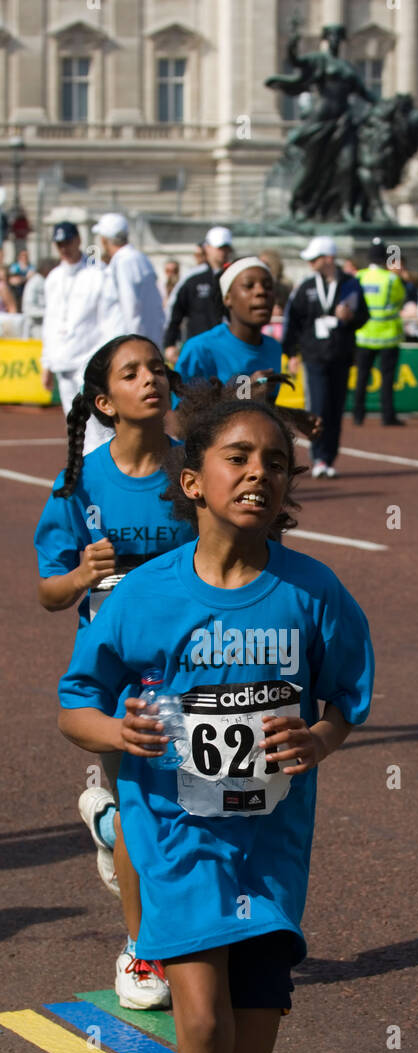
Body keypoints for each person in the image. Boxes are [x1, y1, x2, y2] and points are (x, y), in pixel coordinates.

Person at [57, 387, 374, 1053]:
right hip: (180, 841)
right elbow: (78, 701)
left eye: (274, 462)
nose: (259, 473)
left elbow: (347, 698)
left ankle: (106, 826)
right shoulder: (146, 598)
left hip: (269, 852)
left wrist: (318, 738)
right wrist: (118, 737)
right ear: (192, 481)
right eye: (238, 457)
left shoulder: (315, 593)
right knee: (198, 1023)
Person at [34, 334, 195, 1011]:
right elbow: (48, 592)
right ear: (106, 401)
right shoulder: (80, 484)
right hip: (118, 671)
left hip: (195, 662)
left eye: (157, 367)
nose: (150, 379)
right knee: (142, 810)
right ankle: (141, 948)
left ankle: (107, 830)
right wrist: (80, 574)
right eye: (132, 373)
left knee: (196, 801)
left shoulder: (196, 470)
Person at [282, 235, 368, 478]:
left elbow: (364, 317)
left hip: (340, 355)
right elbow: (294, 322)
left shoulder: (351, 284)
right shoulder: (307, 287)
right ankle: (318, 456)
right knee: (317, 407)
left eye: (315, 258)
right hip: (314, 356)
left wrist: (351, 316)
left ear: (328, 259)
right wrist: (291, 353)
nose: (310, 263)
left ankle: (329, 458)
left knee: (335, 409)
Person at [175, 256, 282, 387]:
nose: (261, 292)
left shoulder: (274, 348)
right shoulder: (200, 350)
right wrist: (245, 392)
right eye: (249, 285)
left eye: (268, 286)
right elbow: (182, 406)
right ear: (227, 298)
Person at [41, 221, 104, 419]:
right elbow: (50, 322)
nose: (64, 248)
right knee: (73, 421)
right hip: (63, 358)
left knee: (97, 419)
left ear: (78, 240)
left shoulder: (95, 273)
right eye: (59, 244)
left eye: (67, 242)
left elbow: (104, 317)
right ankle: (78, 452)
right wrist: (47, 363)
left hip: (88, 358)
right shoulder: (53, 278)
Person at [354, 238, 406, 427]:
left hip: (363, 334)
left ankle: (358, 415)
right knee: (387, 379)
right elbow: (400, 300)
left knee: (362, 377)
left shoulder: (359, 276)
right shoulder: (391, 279)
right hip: (387, 336)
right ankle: (387, 416)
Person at [92, 213, 165, 348]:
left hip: (125, 345)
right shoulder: (139, 258)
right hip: (143, 340)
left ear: (104, 240)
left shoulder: (123, 262)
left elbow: (130, 306)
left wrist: (135, 345)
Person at [164, 226, 234, 363]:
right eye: (219, 247)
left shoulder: (236, 275)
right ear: (207, 248)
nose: (223, 252)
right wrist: (169, 343)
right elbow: (175, 311)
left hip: (229, 349)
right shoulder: (193, 278)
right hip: (199, 349)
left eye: (226, 248)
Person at [21, 257, 56, 338]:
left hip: (47, 326)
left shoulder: (47, 281)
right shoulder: (35, 282)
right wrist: (49, 313)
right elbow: (28, 309)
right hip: (35, 328)